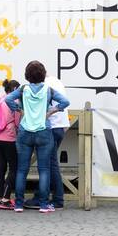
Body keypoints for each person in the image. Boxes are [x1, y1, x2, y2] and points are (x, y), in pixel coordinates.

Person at [4, 60, 69, 214]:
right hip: (43, 131)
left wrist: (19, 110)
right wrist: (51, 111)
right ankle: (44, 205)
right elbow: (65, 102)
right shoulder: (49, 89)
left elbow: (7, 99)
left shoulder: (23, 89)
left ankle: (19, 204)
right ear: (43, 74)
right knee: (44, 169)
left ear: (27, 75)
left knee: (21, 170)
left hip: (25, 131)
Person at [0, 78, 20, 210]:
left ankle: (0, 198)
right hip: (8, 138)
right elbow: (17, 122)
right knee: (14, 168)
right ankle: (6, 199)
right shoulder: (13, 102)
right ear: (15, 90)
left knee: (1, 168)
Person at [46, 74, 71, 211]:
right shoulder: (57, 82)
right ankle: (42, 195)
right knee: (50, 164)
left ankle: (57, 200)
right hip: (61, 126)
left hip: (52, 126)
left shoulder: (43, 85)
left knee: (50, 164)